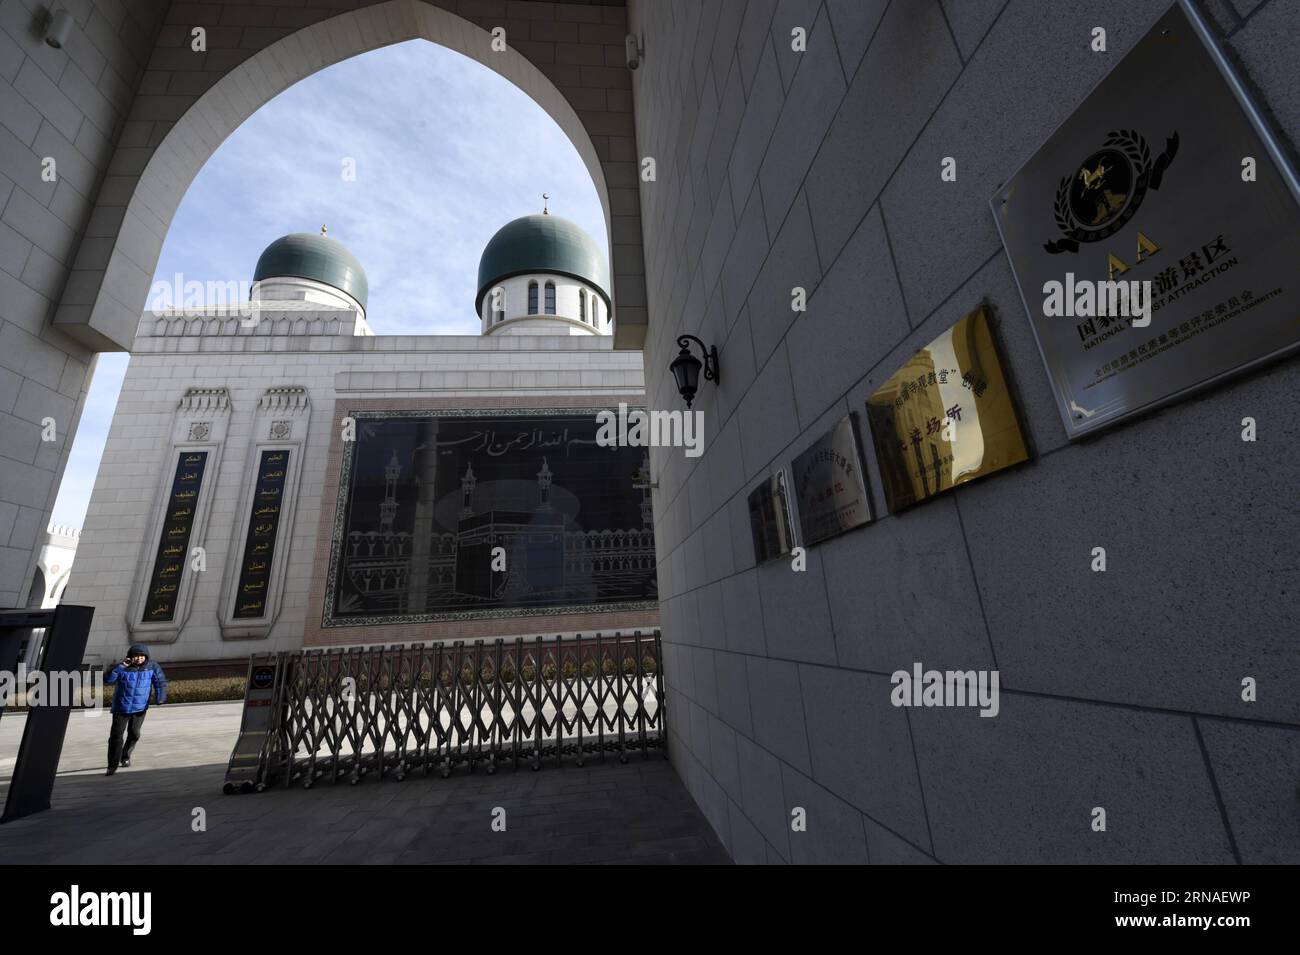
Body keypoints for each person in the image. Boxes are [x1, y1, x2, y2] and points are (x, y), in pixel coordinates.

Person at [103, 644, 168, 775]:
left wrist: (160, 697)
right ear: (130, 657)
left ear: (146, 657)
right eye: (136, 656)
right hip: (121, 708)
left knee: (134, 734)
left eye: (141, 656)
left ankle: (125, 756)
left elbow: (160, 682)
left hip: (140, 708)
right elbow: (107, 679)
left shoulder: (152, 667)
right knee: (116, 737)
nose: (138, 659)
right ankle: (112, 765)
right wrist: (121, 666)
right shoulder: (123, 667)